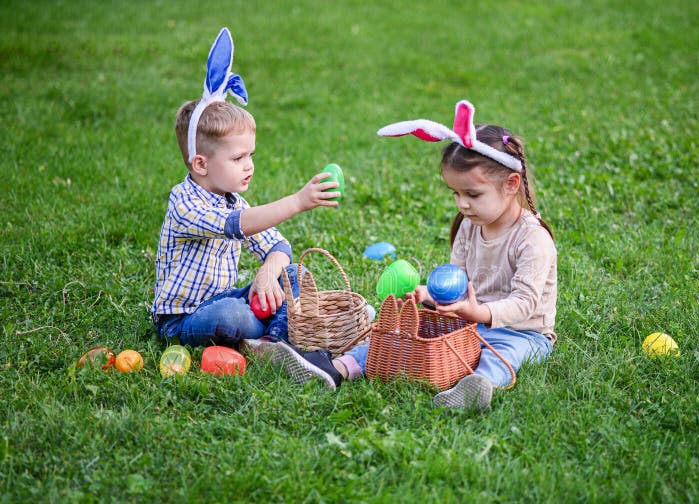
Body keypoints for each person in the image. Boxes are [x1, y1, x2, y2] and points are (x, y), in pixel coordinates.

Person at [332, 100, 557, 410]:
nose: (462, 204)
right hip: (469, 321)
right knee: (407, 334)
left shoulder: (532, 239)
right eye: (456, 193)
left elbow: (525, 304)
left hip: (522, 333)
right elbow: (457, 282)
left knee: (498, 354)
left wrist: (479, 314)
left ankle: (478, 387)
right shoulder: (469, 225)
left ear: (511, 184)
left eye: (473, 194)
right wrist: (428, 295)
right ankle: (339, 368)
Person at [150, 28, 343, 387]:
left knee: (293, 274)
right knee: (232, 316)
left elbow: (279, 246)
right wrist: (298, 201)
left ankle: (274, 343)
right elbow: (237, 224)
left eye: (250, 155)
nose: (249, 165)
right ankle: (267, 332)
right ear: (201, 164)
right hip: (183, 319)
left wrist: (269, 271)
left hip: (225, 297)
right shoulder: (184, 202)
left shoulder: (233, 198)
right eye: (238, 157)